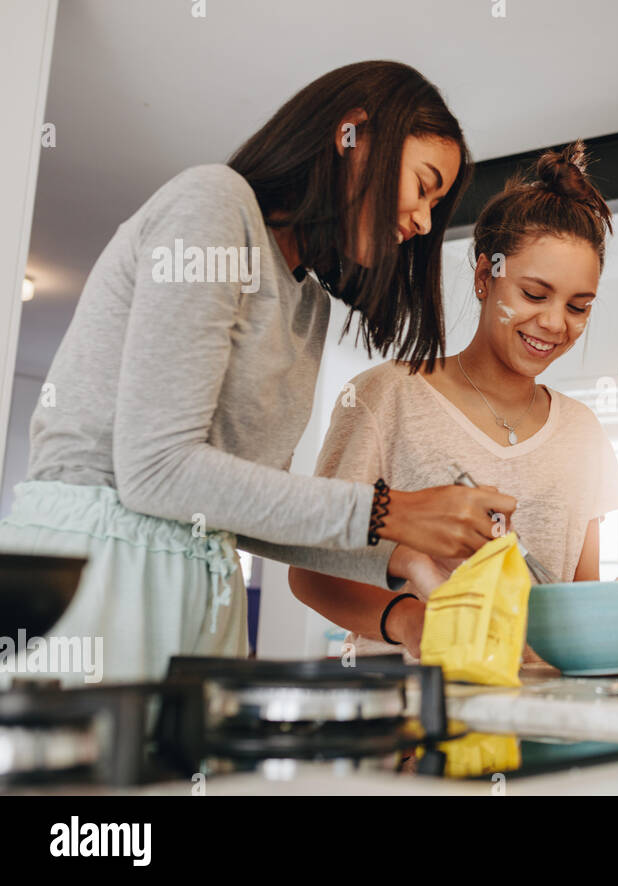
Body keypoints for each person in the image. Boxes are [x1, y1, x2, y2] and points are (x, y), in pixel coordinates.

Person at [0, 61, 514, 683]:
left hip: (202, 585)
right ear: (353, 135)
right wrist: (391, 511)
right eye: (423, 185)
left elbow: (242, 503)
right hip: (94, 574)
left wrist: (402, 556)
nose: (425, 223)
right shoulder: (214, 205)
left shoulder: (308, 304)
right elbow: (156, 473)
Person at [288, 142, 618, 660]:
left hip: (539, 709)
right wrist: (408, 622)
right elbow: (311, 570)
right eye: (535, 295)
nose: (556, 323)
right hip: (405, 708)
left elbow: (580, 597)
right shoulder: (387, 396)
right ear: (482, 277)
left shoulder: (583, 431)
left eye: (579, 306)